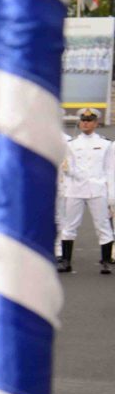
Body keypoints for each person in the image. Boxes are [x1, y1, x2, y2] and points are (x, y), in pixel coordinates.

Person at [59, 107, 114, 274]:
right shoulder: (71, 144)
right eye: (83, 120)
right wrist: (68, 176)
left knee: (103, 225)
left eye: (89, 121)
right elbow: (67, 168)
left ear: (96, 123)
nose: (85, 123)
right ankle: (66, 261)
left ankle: (105, 261)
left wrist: (112, 195)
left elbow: (111, 171)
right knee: (69, 225)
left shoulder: (107, 144)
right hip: (75, 189)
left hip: (97, 189)